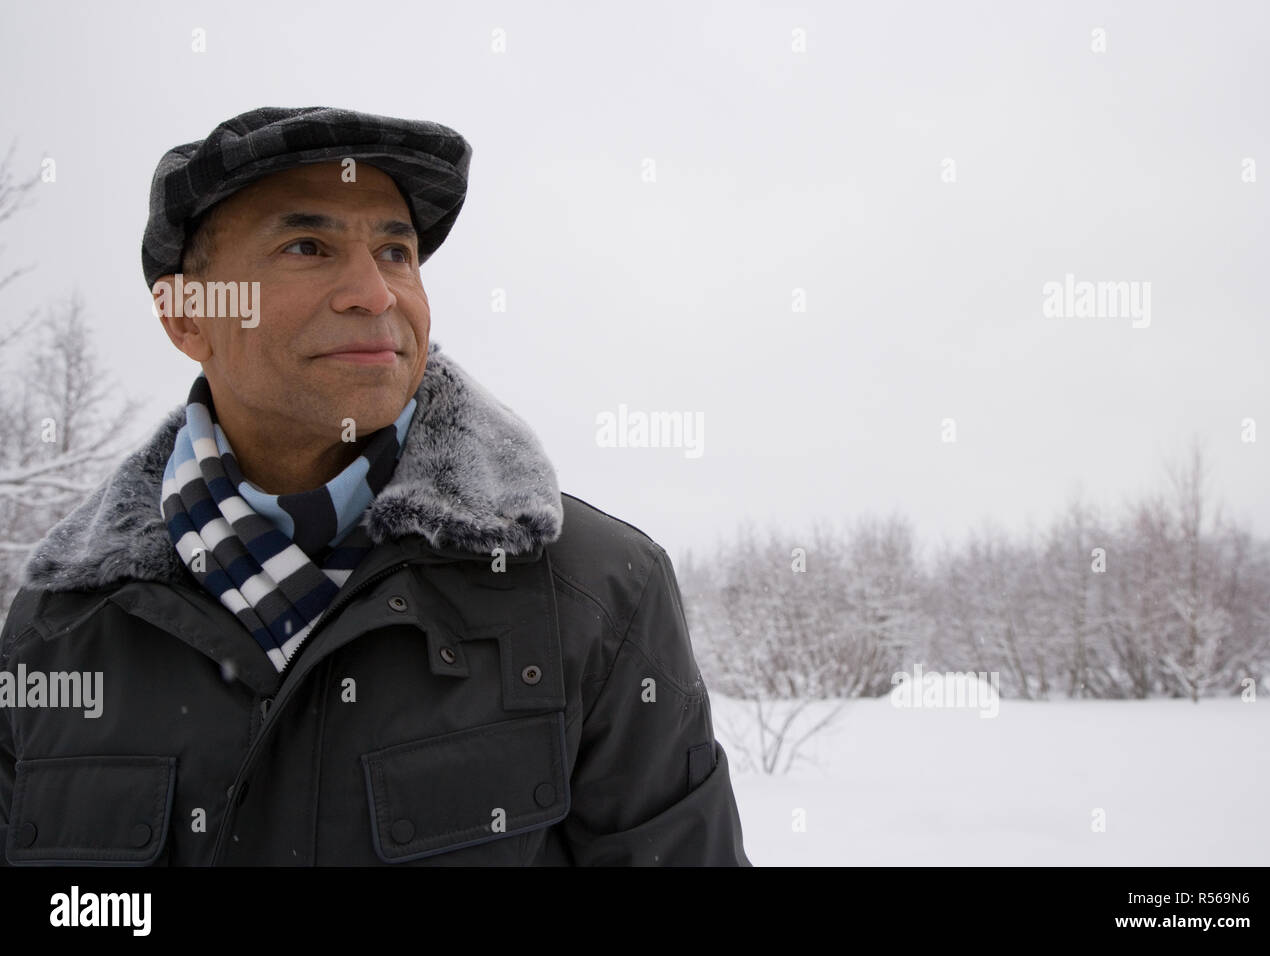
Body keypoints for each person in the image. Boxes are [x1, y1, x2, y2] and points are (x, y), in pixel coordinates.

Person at [0, 106, 750, 866]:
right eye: (308, 245)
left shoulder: (597, 597)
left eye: (396, 251)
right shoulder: (52, 638)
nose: (375, 292)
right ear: (188, 317)